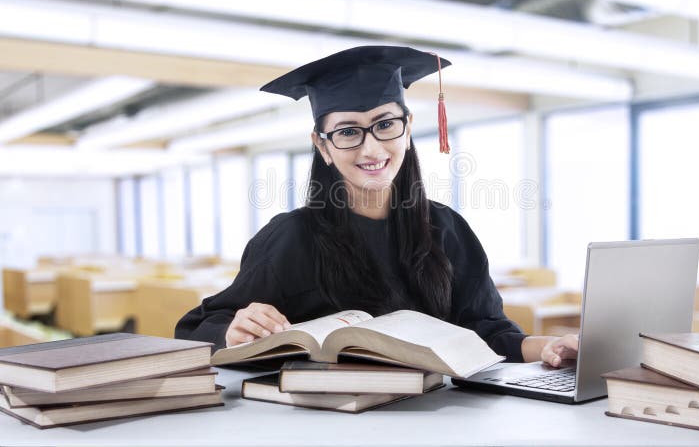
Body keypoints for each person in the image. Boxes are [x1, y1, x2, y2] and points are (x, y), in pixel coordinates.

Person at [175, 45, 578, 367]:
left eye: (385, 124)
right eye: (348, 132)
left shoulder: (446, 228)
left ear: (407, 126)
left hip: (440, 420)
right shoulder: (292, 238)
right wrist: (236, 329)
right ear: (322, 145)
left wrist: (549, 345)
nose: (371, 148)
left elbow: (487, 332)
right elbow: (195, 327)